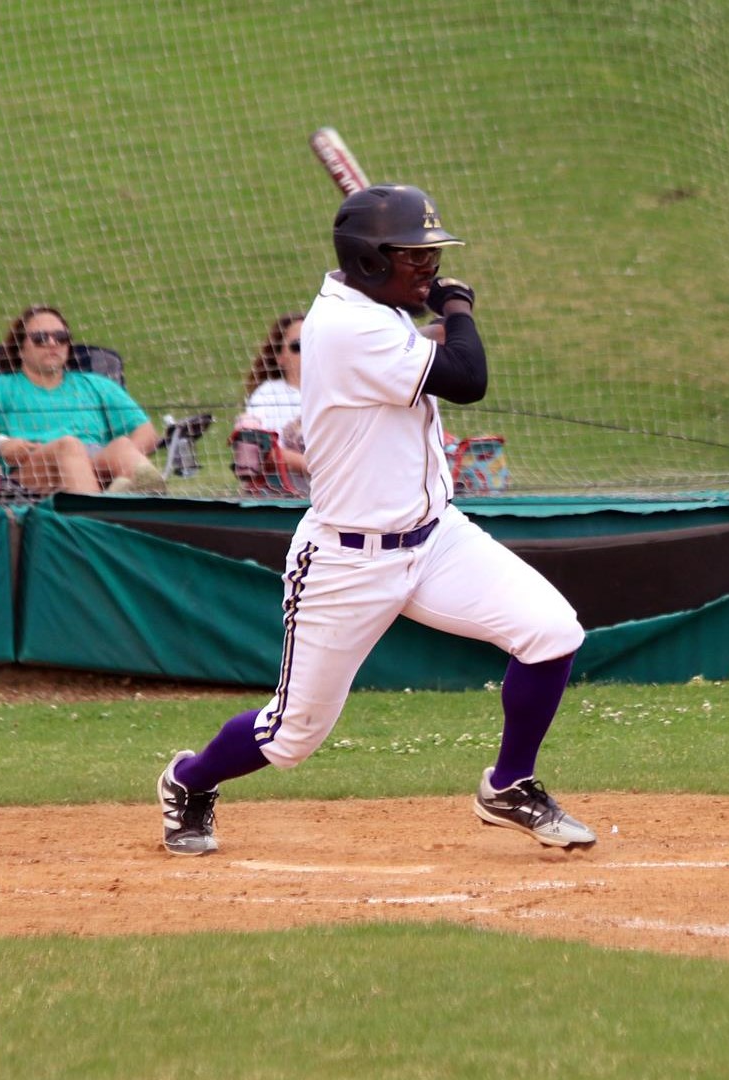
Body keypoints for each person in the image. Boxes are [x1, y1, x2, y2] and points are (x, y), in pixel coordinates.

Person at [157, 184, 594, 855]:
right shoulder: (348, 324)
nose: (427, 267)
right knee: (292, 736)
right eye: (413, 257)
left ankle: (508, 785)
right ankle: (189, 780)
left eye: (430, 256)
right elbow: (467, 376)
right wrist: (455, 306)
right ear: (368, 260)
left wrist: (429, 309)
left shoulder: (373, 309)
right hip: (347, 558)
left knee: (550, 632)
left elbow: (420, 353)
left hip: (435, 539)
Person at [0, 305, 167, 495]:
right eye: (40, 338)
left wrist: (91, 467)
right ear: (20, 348)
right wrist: (2, 444)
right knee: (69, 446)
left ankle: (135, 494)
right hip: (31, 470)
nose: (52, 343)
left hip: (94, 463)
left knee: (122, 446)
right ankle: (98, 518)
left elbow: (146, 432)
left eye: (61, 337)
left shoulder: (96, 385)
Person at [234, 312, 310, 487]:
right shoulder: (268, 394)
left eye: (313, 343)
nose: (307, 351)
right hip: (286, 497)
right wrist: (315, 467)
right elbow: (261, 449)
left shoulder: (339, 390)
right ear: (279, 357)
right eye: (297, 346)